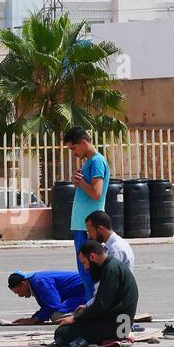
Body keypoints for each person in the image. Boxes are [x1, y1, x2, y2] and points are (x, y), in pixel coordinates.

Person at [49, 242, 139, 347]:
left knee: (62, 333)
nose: (86, 268)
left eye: (84, 263)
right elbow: (104, 302)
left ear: (92, 257)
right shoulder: (112, 266)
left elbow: (100, 305)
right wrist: (86, 310)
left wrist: (75, 318)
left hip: (118, 327)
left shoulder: (111, 269)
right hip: (117, 323)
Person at [64, 126, 110, 302]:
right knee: (85, 272)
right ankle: (90, 306)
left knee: (88, 271)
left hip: (88, 228)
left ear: (84, 143)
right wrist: (80, 182)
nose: (74, 152)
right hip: (82, 226)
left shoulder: (97, 162)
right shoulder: (89, 162)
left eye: (74, 148)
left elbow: (97, 193)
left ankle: (92, 308)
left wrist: (81, 182)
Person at [6, 270, 88, 324]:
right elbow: (47, 306)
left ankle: (86, 315)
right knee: (54, 314)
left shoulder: (40, 282)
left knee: (56, 316)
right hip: (77, 292)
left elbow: (53, 304)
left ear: (24, 284)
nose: (20, 296)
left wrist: (34, 320)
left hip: (82, 292)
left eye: (18, 292)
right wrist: (34, 318)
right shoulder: (35, 282)